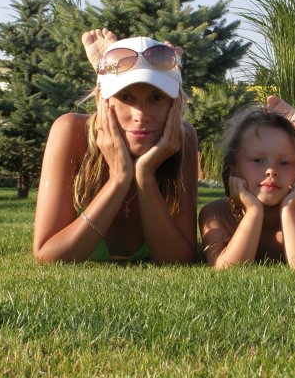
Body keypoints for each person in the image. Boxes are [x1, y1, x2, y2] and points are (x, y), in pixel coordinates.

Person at [33, 29, 198, 264]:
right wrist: (118, 179)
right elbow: (49, 255)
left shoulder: (182, 138)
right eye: (125, 97)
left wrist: (145, 175)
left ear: (176, 104)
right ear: (102, 99)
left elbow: (177, 260)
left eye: (156, 98)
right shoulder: (71, 132)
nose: (140, 115)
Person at [199, 107, 295, 268]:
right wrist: (254, 211)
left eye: (284, 163)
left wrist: (289, 210)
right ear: (233, 168)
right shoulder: (216, 214)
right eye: (258, 160)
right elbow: (228, 271)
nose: (271, 170)